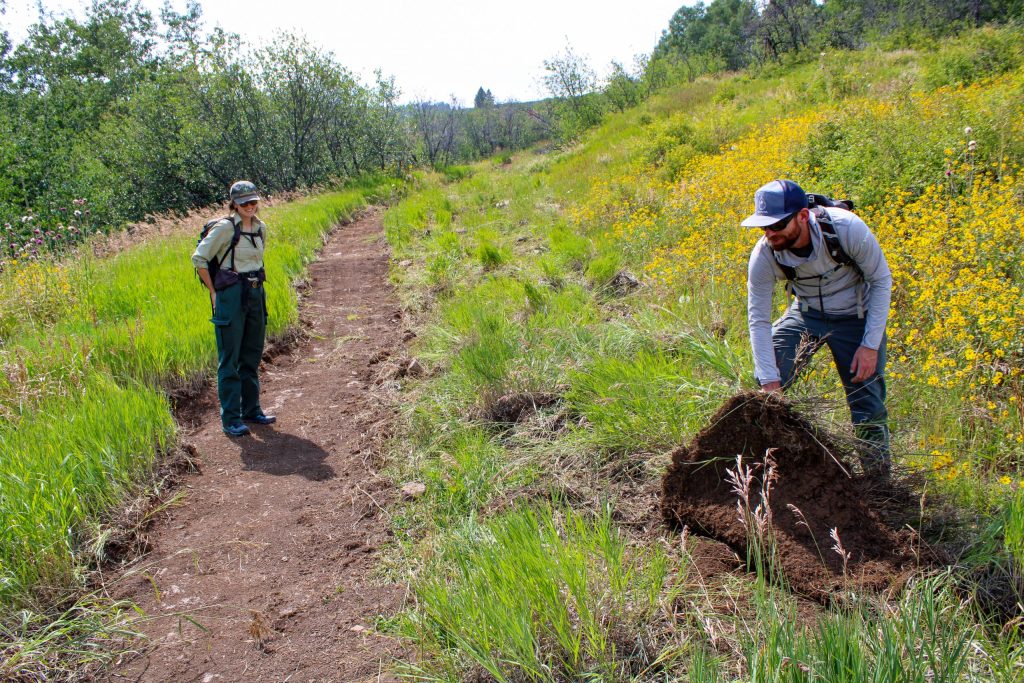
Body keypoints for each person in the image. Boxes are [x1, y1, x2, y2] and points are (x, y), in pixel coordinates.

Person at [743, 179, 892, 477]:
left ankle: (878, 485)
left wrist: (869, 345)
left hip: (856, 317)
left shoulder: (846, 229)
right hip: (807, 314)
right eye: (764, 227)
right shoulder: (765, 253)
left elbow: (880, 280)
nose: (770, 234)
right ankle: (765, 469)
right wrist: (770, 380)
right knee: (764, 379)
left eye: (777, 224)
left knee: (867, 405)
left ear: (802, 215)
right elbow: (758, 318)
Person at [192, 180, 276, 437]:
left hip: (255, 291)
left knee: (251, 355)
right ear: (234, 205)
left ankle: (252, 410)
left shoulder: (261, 228)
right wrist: (215, 293)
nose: (250, 207)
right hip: (231, 295)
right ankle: (231, 418)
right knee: (229, 359)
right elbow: (199, 258)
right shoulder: (225, 228)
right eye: (244, 203)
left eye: (253, 202)